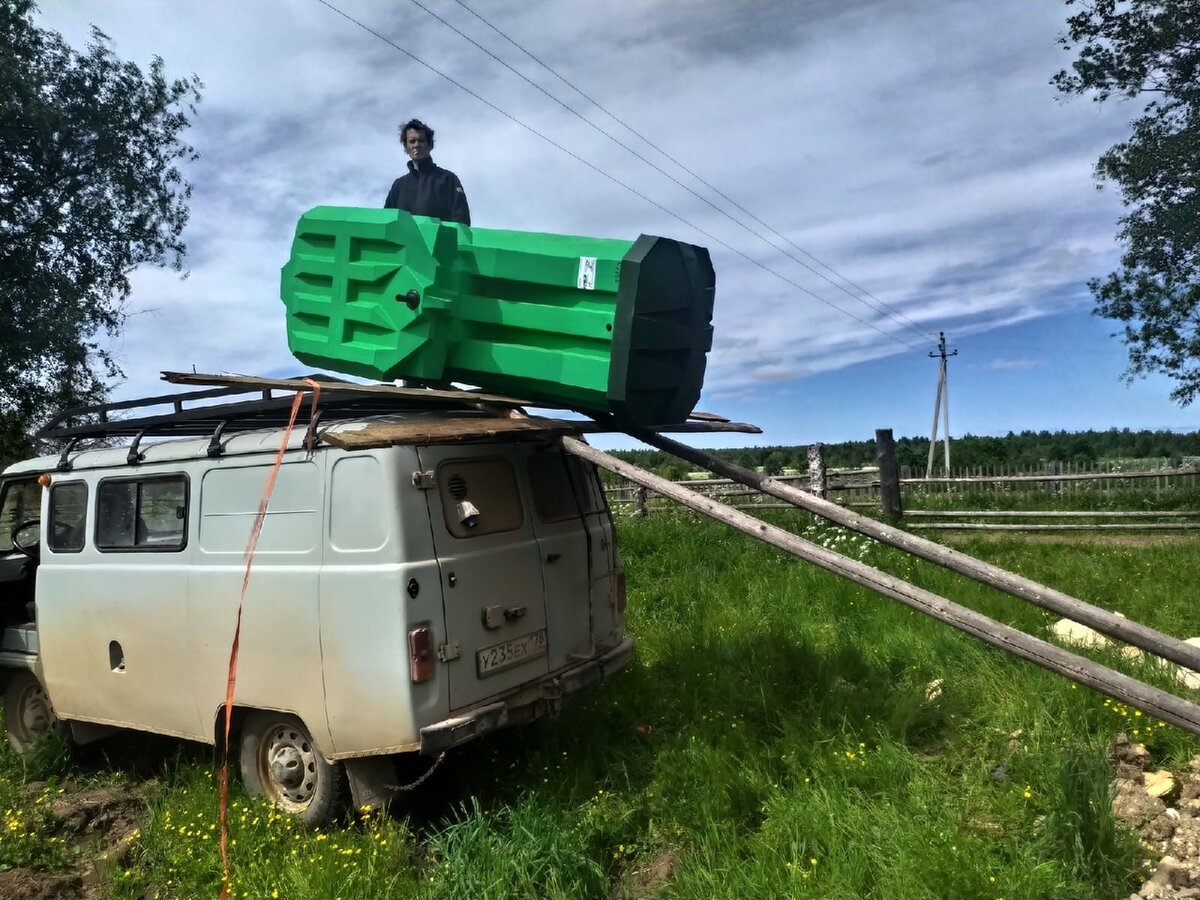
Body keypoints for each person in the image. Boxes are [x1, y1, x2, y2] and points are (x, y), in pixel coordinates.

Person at [384, 118, 471, 225]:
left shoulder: (448, 179)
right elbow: (387, 220)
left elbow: (461, 219)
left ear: (430, 145)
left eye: (421, 140)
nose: (416, 145)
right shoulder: (398, 185)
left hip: (440, 241)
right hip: (403, 242)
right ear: (406, 147)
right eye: (412, 141)